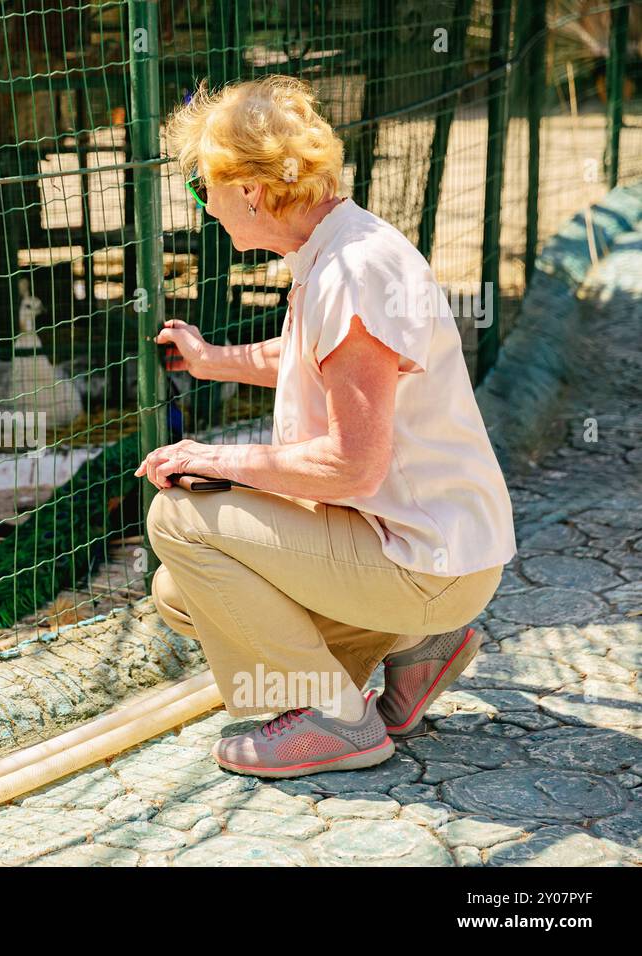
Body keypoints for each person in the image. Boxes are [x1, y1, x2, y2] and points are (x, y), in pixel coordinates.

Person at [139, 75, 516, 779]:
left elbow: (351, 466)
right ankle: (417, 648)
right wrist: (214, 361)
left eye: (201, 191)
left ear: (247, 188)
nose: (203, 210)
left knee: (178, 518)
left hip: (424, 560)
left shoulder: (350, 270)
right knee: (180, 594)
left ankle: (332, 719)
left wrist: (216, 460)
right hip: (437, 549)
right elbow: (326, 358)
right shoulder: (341, 246)